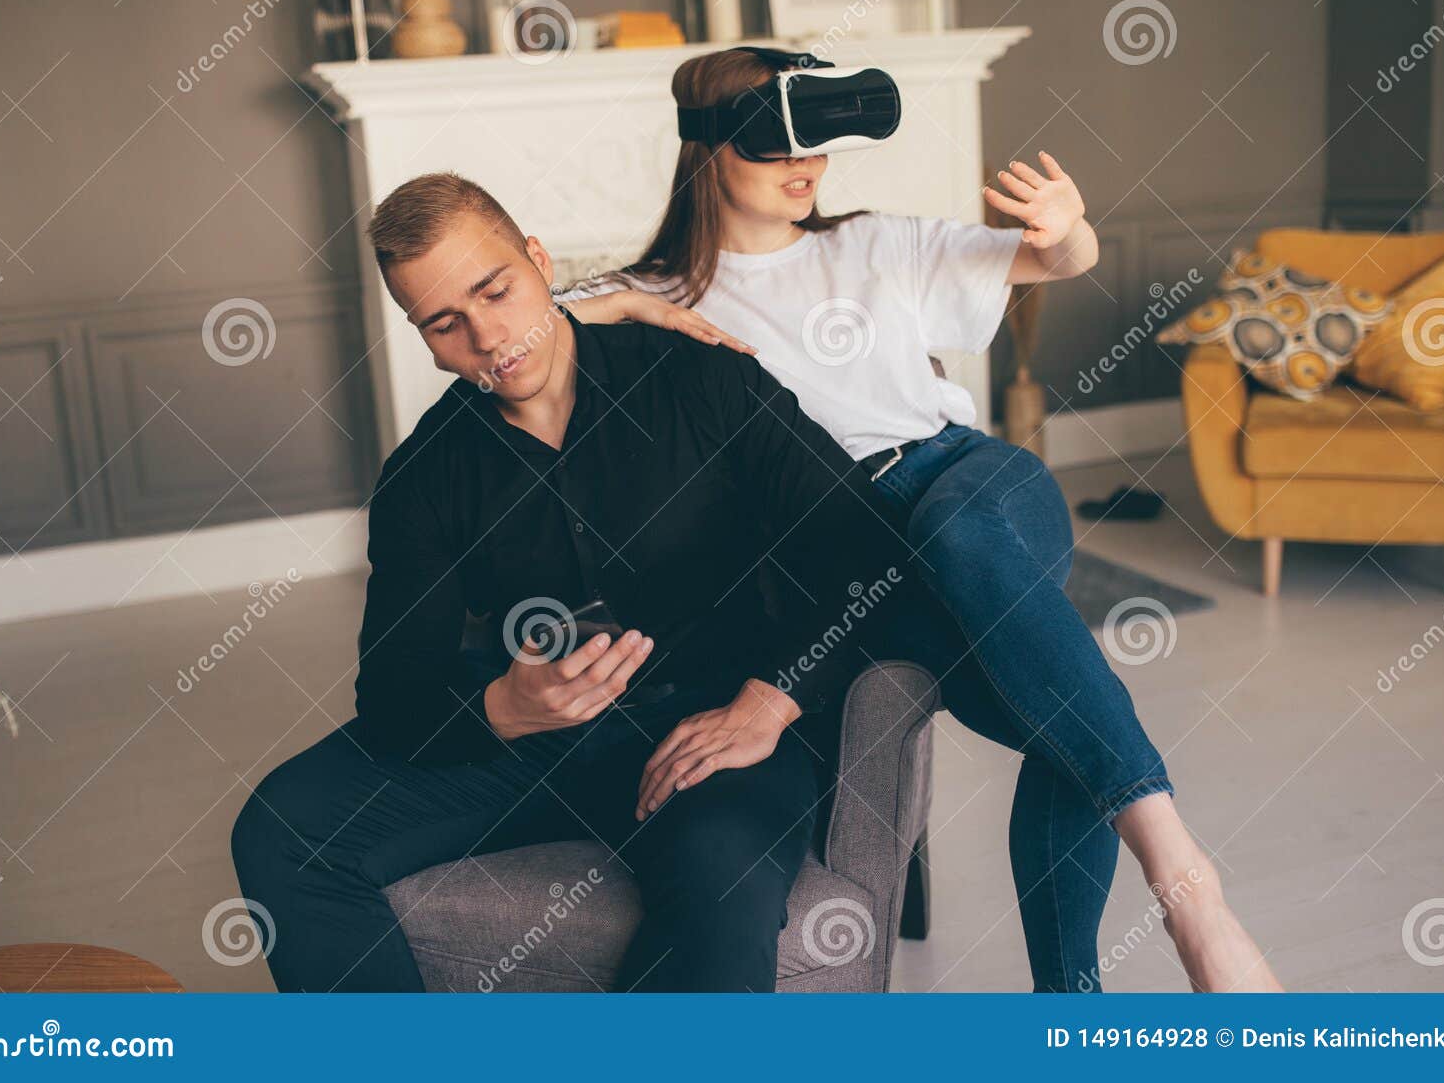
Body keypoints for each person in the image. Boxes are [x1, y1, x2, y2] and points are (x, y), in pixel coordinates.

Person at [560, 47, 1281, 992]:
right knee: (1061, 720)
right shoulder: (661, 300)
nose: (805, 165)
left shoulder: (871, 243)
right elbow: (507, 340)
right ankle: (1070, 1008)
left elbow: (1055, 258)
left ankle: (1190, 889)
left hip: (970, 483)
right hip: (856, 551)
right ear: (708, 148)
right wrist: (611, 302)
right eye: (779, 143)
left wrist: (1068, 233)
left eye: (817, 142)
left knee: (958, 532)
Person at [229, 170, 924, 992]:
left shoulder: (704, 380)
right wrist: (503, 707)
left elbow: (873, 555)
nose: (487, 339)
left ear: (538, 259)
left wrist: (770, 700)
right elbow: (391, 693)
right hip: (527, 746)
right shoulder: (424, 474)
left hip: (712, 722)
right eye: (444, 324)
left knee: (720, 881)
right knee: (279, 826)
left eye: (496, 291)